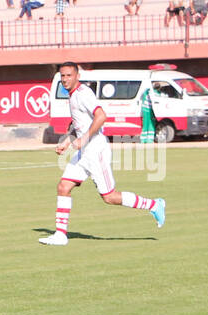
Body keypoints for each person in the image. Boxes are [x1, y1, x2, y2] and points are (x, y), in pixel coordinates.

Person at [39, 61, 165, 246]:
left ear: (77, 76)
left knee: (109, 197)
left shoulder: (83, 94)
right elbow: (80, 125)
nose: (65, 79)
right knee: (63, 186)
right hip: (84, 151)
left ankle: (154, 205)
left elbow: (101, 116)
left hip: (96, 149)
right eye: (62, 76)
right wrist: (68, 141)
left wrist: (84, 139)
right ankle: (60, 235)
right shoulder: (72, 95)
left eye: (69, 75)